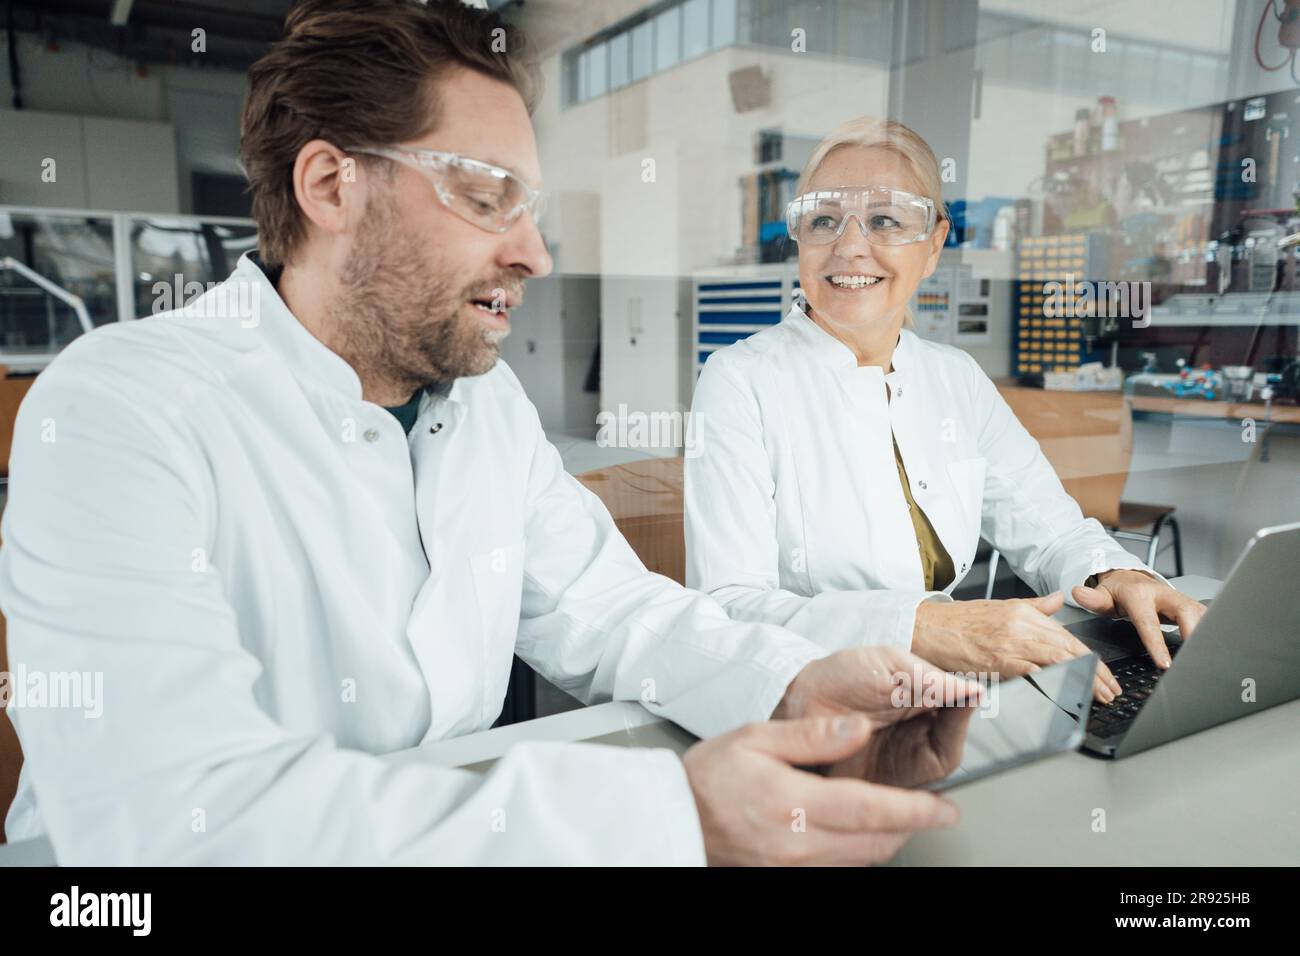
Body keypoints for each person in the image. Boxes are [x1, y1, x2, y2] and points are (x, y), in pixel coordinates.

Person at [0, 1, 969, 866]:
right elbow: (176, 819)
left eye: (530, 204)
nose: (533, 251)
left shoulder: (484, 407)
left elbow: (615, 611)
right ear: (331, 186)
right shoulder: (116, 410)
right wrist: (671, 819)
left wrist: (796, 691)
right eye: (482, 192)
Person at [684, 117, 1206, 705]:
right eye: (824, 219)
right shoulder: (741, 379)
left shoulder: (953, 376)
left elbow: (1053, 531)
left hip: (956, 687)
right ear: (801, 238)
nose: (850, 245)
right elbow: (729, 605)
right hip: (818, 700)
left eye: (885, 220)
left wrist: (1114, 574)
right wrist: (928, 627)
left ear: (933, 246)